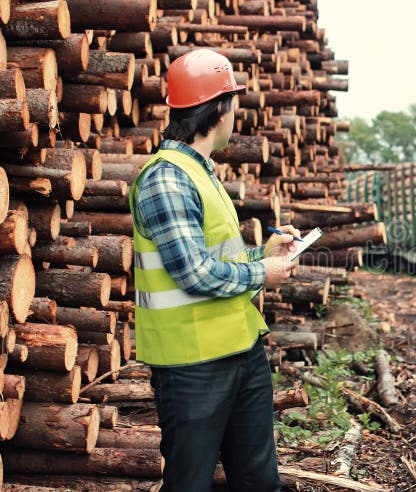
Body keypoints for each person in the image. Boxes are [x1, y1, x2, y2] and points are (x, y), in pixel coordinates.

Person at [128, 48, 299, 492]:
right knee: (190, 485)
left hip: (240, 352)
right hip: (191, 368)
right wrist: (265, 275)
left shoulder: (200, 172)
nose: (236, 112)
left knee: (260, 482)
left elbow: (218, 259)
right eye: (234, 102)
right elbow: (195, 274)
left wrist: (263, 254)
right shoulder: (167, 178)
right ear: (220, 108)